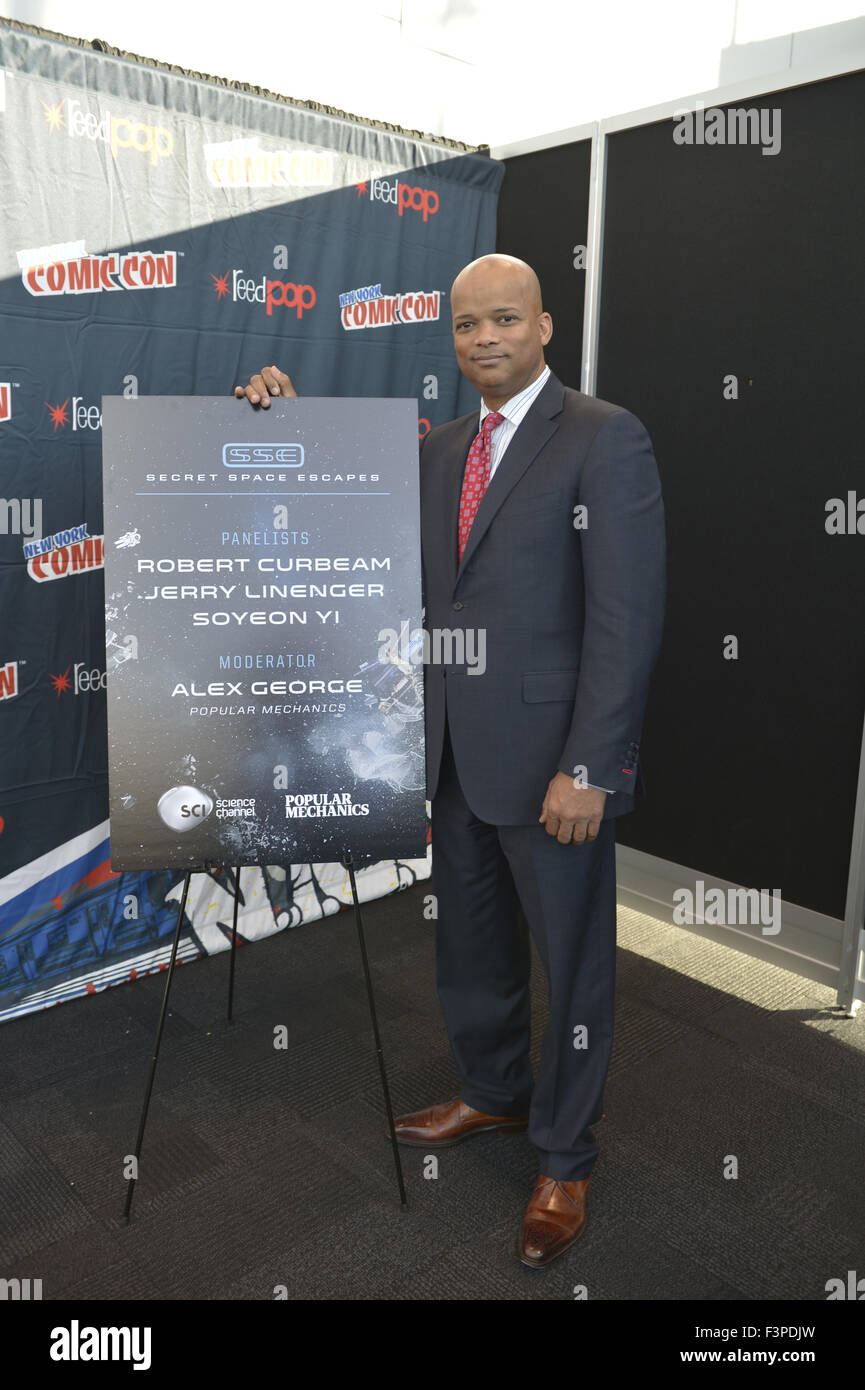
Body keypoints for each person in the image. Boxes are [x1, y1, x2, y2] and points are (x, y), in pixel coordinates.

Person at [235, 253, 666, 1268]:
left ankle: (565, 1154)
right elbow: (351, 489)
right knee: (468, 947)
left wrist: (592, 767)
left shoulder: (605, 438)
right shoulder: (443, 451)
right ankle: (492, 1093)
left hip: (556, 767)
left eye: (505, 320)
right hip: (451, 755)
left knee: (572, 966)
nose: (485, 339)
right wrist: (281, 416)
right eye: (468, 325)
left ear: (545, 326)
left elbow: (626, 618)